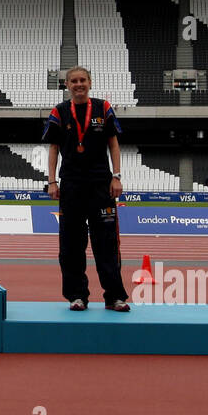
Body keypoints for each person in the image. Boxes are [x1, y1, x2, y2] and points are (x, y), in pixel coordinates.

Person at [43, 65, 130, 312]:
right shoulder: (59, 112)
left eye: (82, 80)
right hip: (70, 186)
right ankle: (77, 295)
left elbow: (113, 143)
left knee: (106, 243)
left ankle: (114, 296)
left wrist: (117, 176)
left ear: (89, 83)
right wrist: (52, 181)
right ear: (67, 85)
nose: (78, 84)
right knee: (71, 244)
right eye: (73, 81)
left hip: (101, 185)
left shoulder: (103, 108)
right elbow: (53, 149)